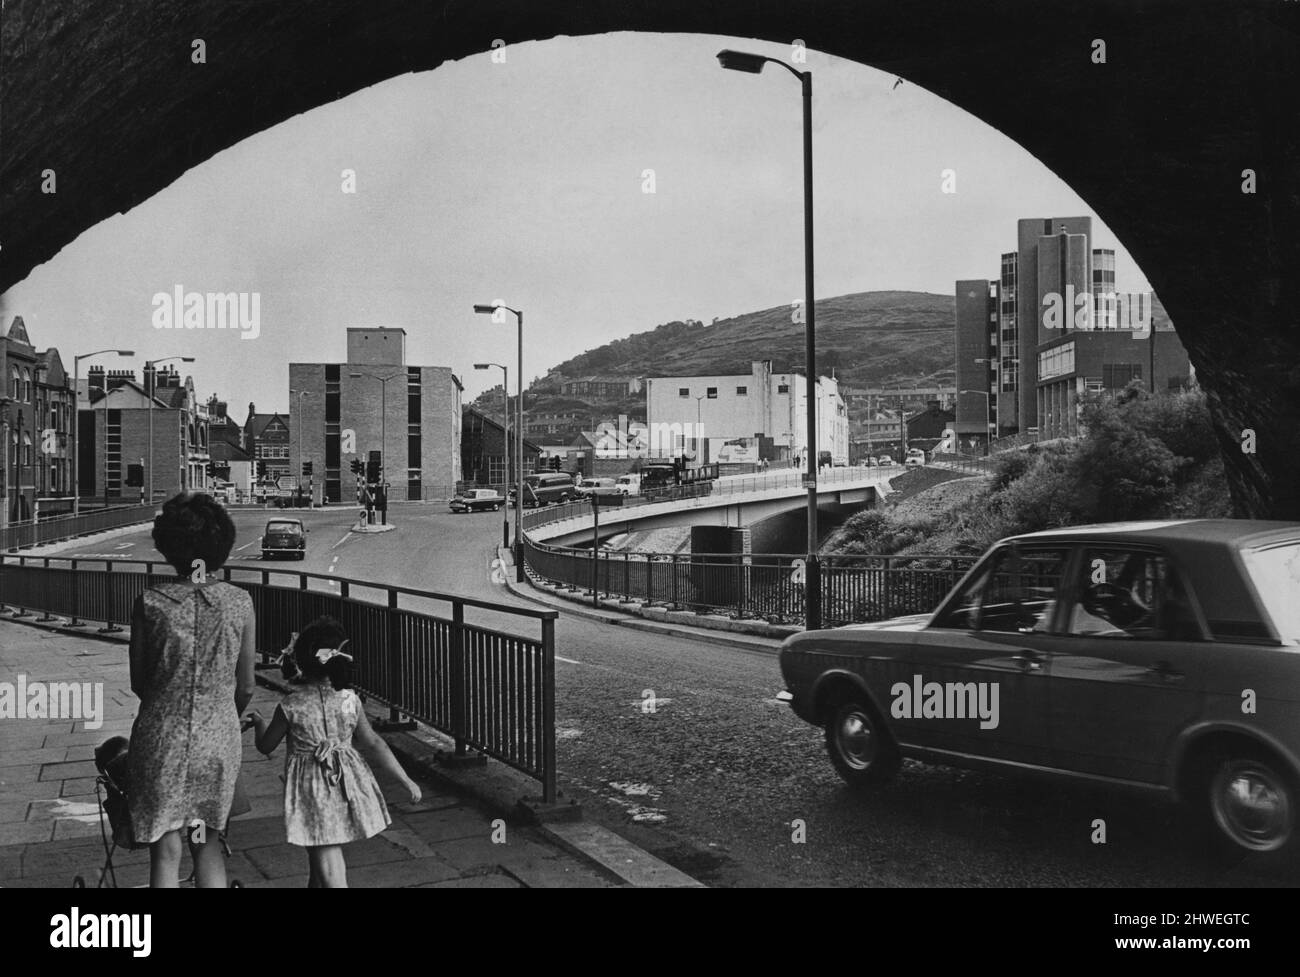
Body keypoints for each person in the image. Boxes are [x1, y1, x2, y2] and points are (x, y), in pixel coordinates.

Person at [127, 492, 256, 888]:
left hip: (161, 738)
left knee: (166, 850)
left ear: (169, 547)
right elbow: (247, 685)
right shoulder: (239, 603)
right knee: (206, 843)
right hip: (217, 741)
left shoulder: (151, 604)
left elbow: (139, 682)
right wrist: (220, 713)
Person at [244, 617, 421, 887]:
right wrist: (405, 779)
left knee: (325, 854)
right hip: (346, 782)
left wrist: (258, 723)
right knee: (319, 857)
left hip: (310, 788)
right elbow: (374, 743)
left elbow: (266, 746)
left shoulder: (291, 705)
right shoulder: (350, 701)